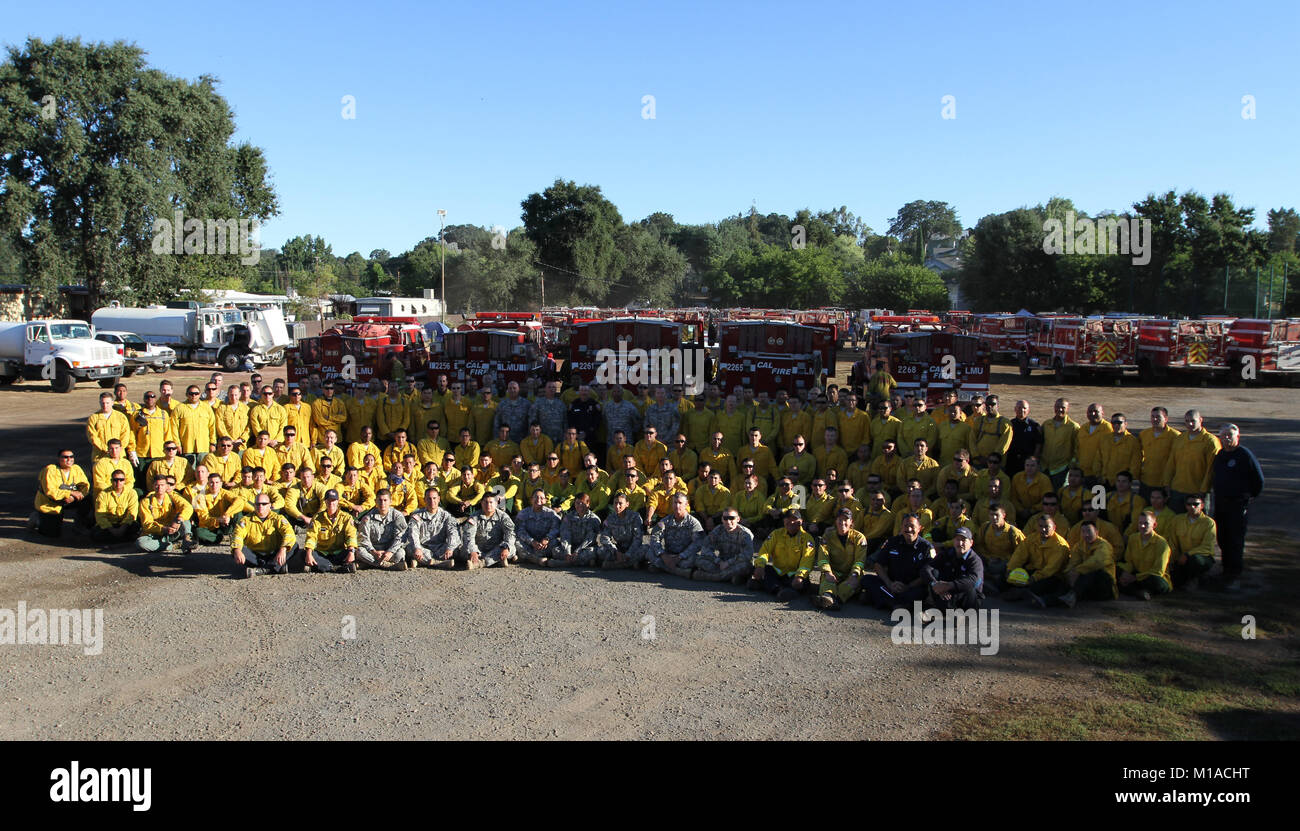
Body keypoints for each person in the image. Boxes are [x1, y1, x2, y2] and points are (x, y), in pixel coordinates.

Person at [1211, 423, 1264, 588]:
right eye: (1223, 435)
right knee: (1223, 536)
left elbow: (1258, 479)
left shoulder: (1244, 455)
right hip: (1221, 502)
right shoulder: (1220, 455)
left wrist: (1250, 496)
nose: (1226, 438)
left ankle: (1234, 572)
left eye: (1230, 435)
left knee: (1235, 538)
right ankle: (1226, 568)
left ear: (1237, 437)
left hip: (1237, 504)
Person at [860, 514, 934, 609]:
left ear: (919, 528)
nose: (909, 529)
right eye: (906, 526)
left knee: (919, 593)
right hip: (891, 584)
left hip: (911, 587)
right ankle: (896, 603)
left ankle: (883, 600)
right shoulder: (892, 542)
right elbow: (878, 565)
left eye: (912, 526)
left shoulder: (926, 547)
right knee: (866, 579)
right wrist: (889, 584)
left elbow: (927, 573)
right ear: (901, 527)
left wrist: (908, 587)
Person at [1037, 520, 1116, 608]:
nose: (1086, 534)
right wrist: (1069, 574)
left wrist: (1077, 571)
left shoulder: (1104, 545)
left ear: (1096, 532)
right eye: (1083, 532)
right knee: (1062, 577)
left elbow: (1097, 561)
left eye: (1089, 531)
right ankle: (1047, 599)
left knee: (1092, 573)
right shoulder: (1079, 546)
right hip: (1088, 585)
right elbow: (1073, 562)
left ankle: (1070, 597)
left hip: (1105, 586)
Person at [749, 509, 816, 600]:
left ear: (800, 522)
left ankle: (770, 587)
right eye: (787, 519)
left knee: (802, 583)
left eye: (794, 519)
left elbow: (807, 560)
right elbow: (765, 550)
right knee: (760, 569)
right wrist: (760, 566)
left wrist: (800, 575)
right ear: (784, 521)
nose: (791, 522)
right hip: (778, 571)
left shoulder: (807, 538)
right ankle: (780, 590)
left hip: (794, 574)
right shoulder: (776, 534)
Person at [1005, 514, 1070, 603]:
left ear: (1054, 527)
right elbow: (1019, 556)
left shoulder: (1060, 545)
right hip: (1033, 571)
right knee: (1006, 576)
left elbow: (1050, 569)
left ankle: (1020, 593)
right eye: (1040, 526)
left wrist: (1033, 578)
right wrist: (1010, 569)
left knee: (1039, 586)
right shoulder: (1031, 538)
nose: (1043, 529)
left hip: (1051, 576)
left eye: (1047, 527)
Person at [812, 509, 867, 610]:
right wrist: (828, 572)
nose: (842, 522)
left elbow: (860, 560)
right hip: (834, 572)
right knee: (826, 578)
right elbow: (823, 557)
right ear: (835, 521)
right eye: (839, 519)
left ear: (851, 522)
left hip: (852, 573)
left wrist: (854, 574)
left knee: (851, 583)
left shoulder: (859, 538)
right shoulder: (827, 536)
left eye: (846, 519)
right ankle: (828, 596)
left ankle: (833, 600)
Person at [231, 493, 295, 578]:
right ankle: (275, 568)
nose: (260, 506)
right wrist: (237, 550)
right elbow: (237, 535)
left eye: (264, 504)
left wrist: (283, 549)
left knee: (294, 546)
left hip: (275, 554)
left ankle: (262, 570)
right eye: (258, 504)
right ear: (254, 505)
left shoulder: (278, 518)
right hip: (255, 555)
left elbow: (289, 533)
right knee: (236, 549)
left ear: (269, 505)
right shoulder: (245, 520)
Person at [31, 449, 91, 537]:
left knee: (88, 500)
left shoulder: (76, 469)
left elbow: (85, 486)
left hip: (69, 500)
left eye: (71, 457)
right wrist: (70, 493)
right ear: (59, 459)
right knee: (52, 535)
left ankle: (79, 524)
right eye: (65, 457)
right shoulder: (50, 470)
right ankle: (36, 519)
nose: (69, 459)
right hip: (51, 503)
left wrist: (74, 497)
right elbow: (50, 491)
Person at [1168, 409, 1219, 512]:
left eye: (1193, 421)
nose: (1190, 424)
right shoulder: (1180, 439)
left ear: (1200, 420)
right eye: (1187, 421)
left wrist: (1203, 490)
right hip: (1177, 490)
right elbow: (1171, 463)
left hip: (1197, 492)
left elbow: (1211, 469)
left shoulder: (1210, 441)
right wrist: (1167, 483)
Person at [923, 526, 984, 611]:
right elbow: (927, 568)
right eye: (957, 540)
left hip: (967, 597)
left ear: (971, 543)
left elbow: (973, 581)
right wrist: (935, 584)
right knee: (934, 574)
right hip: (948, 593)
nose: (960, 543)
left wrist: (948, 586)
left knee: (970, 588)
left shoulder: (975, 560)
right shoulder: (947, 554)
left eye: (963, 540)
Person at [298, 489, 359, 574]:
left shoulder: (346, 518)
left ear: (338, 502)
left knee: (357, 552)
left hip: (339, 551)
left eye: (334, 501)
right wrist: (309, 553)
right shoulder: (317, 518)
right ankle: (337, 568)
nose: (331, 503)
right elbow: (311, 536)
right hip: (322, 553)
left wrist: (351, 552)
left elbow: (351, 536)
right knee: (304, 553)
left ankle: (321, 567)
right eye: (329, 500)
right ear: (325, 502)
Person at [645, 493, 705, 578]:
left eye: (680, 503)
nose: (677, 505)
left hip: (684, 557)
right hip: (667, 555)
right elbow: (655, 539)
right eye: (675, 502)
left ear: (686, 504)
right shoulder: (665, 521)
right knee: (649, 551)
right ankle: (679, 571)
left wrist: (679, 557)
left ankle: (662, 567)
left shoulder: (693, 523)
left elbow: (698, 543)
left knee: (697, 560)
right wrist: (663, 556)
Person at [1116, 511, 1172, 600]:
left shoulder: (1162, 543)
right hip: (1137, 574)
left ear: (1154, 525)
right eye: (1140, 523)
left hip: (1150, 577)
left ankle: (1135, 590)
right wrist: (1125, 574)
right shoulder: (1132, 538)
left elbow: (1158, 571)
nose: (1142, 526)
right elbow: (1129, 561)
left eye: (1146, 523)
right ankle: (1140, 592)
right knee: (1116, 569)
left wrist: (1135, 578)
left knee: (1156, 581)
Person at [1167, 494, 1217, 588]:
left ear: (1202, 505)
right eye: (1189, 504)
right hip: (1181, 557)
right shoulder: (1178, 520)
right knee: (1174, 582)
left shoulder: (1209, 523)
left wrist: (1188, 554)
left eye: (1195, 504)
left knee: (1195, 561)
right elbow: (1172, 542)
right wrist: (1173, 558)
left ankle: (1198, 577)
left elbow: (1207, 547)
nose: (1192, 507)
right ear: (1185, 506)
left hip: (1202, 557)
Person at [405, 487, 462, 569]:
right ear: (424, 500)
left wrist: (449, 548)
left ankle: (422, 562)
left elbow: (453, 533)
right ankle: (438, 563)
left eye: (434, 498)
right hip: (423, 548)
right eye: (429, 498)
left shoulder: (446, 516)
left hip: (440, 548)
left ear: (439, 499)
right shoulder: (417, 516)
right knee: (410, 548)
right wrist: (417, 548)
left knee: (455, 548)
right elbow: (413, 533)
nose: (432, 501)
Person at [137, 476, 195, 553]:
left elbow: (188, 507)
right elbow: (147, 524)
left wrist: (179, 520)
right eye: (157, 485)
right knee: (141, 543)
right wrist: (163, 529)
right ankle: (173, 545)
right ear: (153, 486)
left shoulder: (173, 497)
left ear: (166, 486)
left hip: (173, 531)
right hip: (155, 533)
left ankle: (187, 539)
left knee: (184, 518)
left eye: (162, 485)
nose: (159, 487)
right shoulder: (146, 502)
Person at [356, 490, 410, 570]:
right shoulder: (367, 518)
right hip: (373, 550)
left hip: (389, 550)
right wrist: (373, 552)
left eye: (385, 500)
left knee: (400, 553)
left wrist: (390, 552)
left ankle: (368, 565)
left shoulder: (397, 516)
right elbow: (363, 538)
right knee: (359, 552)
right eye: (380, 500)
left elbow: (401, 537)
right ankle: (388, 566)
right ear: (375, 502)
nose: (382, 503)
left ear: (390, 501)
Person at [463, 493, 517, 568]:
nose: (488, 505)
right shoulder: (474, 517)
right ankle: (498, 561)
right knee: (463, 550)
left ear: (496, 503)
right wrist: (473, 551)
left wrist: (506, 547)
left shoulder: (503, 516)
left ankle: (481, 563)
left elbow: (511, 533)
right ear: (481, 503)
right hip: (479, 550)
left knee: (512, 549)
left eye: (491, 502)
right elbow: (469, 536)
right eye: (486, 502)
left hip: (497, 549)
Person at [596, 491, 646, 569]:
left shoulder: (635, 517)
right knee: (600, 551)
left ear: (627, 504)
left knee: (646, 549)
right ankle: (631, 563)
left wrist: (628, 554)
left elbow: (638, 539)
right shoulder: (610, 518)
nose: (617, 506)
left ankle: (617, 564)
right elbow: (604, 537)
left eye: (620, 503)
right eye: (615, 503)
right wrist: (615, 552)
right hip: (618, 548)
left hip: (632, 548)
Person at [553, 492, 602, 567]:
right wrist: (567, 552)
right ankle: (581, 562)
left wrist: (577, 552)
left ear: (588, 504)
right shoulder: (569, 517)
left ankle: (565, 563)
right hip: (571, 546)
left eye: (582, 503)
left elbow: (589, 539)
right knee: (555, 551)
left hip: (585, 548)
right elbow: (565, 535)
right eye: (577, 503)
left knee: (593, 552)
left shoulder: (594, 519)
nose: (579, 505)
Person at [92, 469, 140, 545]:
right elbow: (100, 516)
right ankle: (120, 539)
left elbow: (132, 513)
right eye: (115, 480)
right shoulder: (103, 494)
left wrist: (122, 528)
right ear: (111, 481)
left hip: (124, 524)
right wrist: (112, 530)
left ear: (124, 481)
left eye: (121, 480)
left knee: (135, 527)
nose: (118, 482)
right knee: (96, 534)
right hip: (110, 524)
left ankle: (118, 539)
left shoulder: (132, 493)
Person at [516, 488, 562, 565]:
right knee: (516, 542)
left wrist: (547, 538)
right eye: (536, 497)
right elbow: (520, 531)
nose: (538, 500)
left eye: (541, 498)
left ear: (545, 500)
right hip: (529, 544)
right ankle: (536, 559)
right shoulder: (523, 513)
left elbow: (556, 528)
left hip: (545, 544)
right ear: (531, 499)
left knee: (555, 543)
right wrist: (531, 541)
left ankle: (528, 558)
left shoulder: (551, 514)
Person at [1006, 399, 1043, 475]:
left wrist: (1034, 460)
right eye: (1019, 408)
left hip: (1028, 463)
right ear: (1015, 409)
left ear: (1028, 410)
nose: (1022, 410)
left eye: (1024, 408)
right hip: (1012, 461)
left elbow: (1038, 444)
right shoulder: (1009, 424)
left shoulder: (1034, 426)